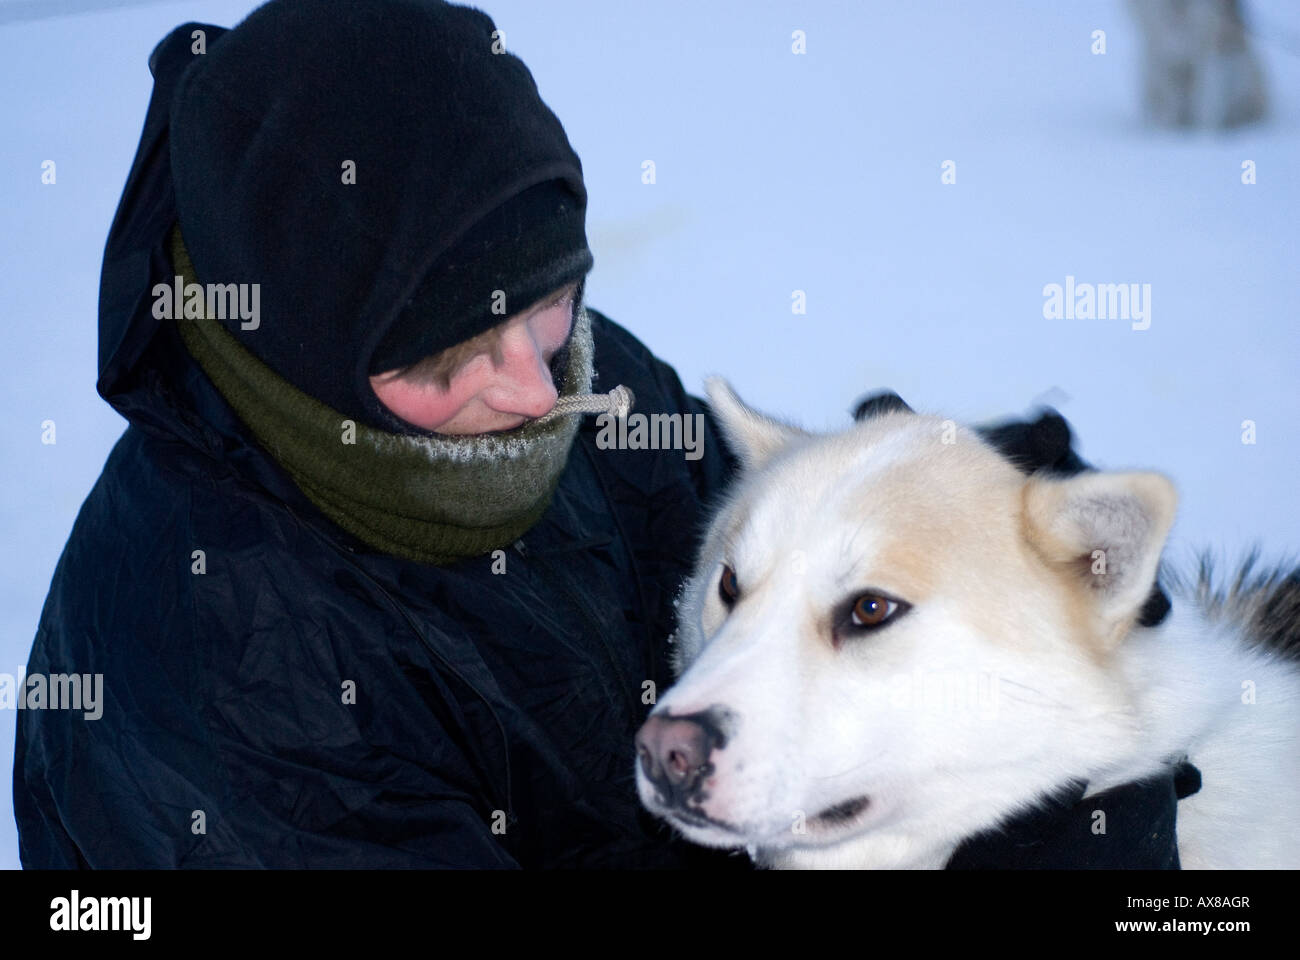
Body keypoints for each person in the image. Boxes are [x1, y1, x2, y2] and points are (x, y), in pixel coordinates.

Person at [14, 0, 1178, 869]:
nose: (532, 389)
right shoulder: (224, 689)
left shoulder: (565, 376)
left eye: (549, 300)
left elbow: (749, 556)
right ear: (308, 359)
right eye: (447, 358)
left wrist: (995, 538)